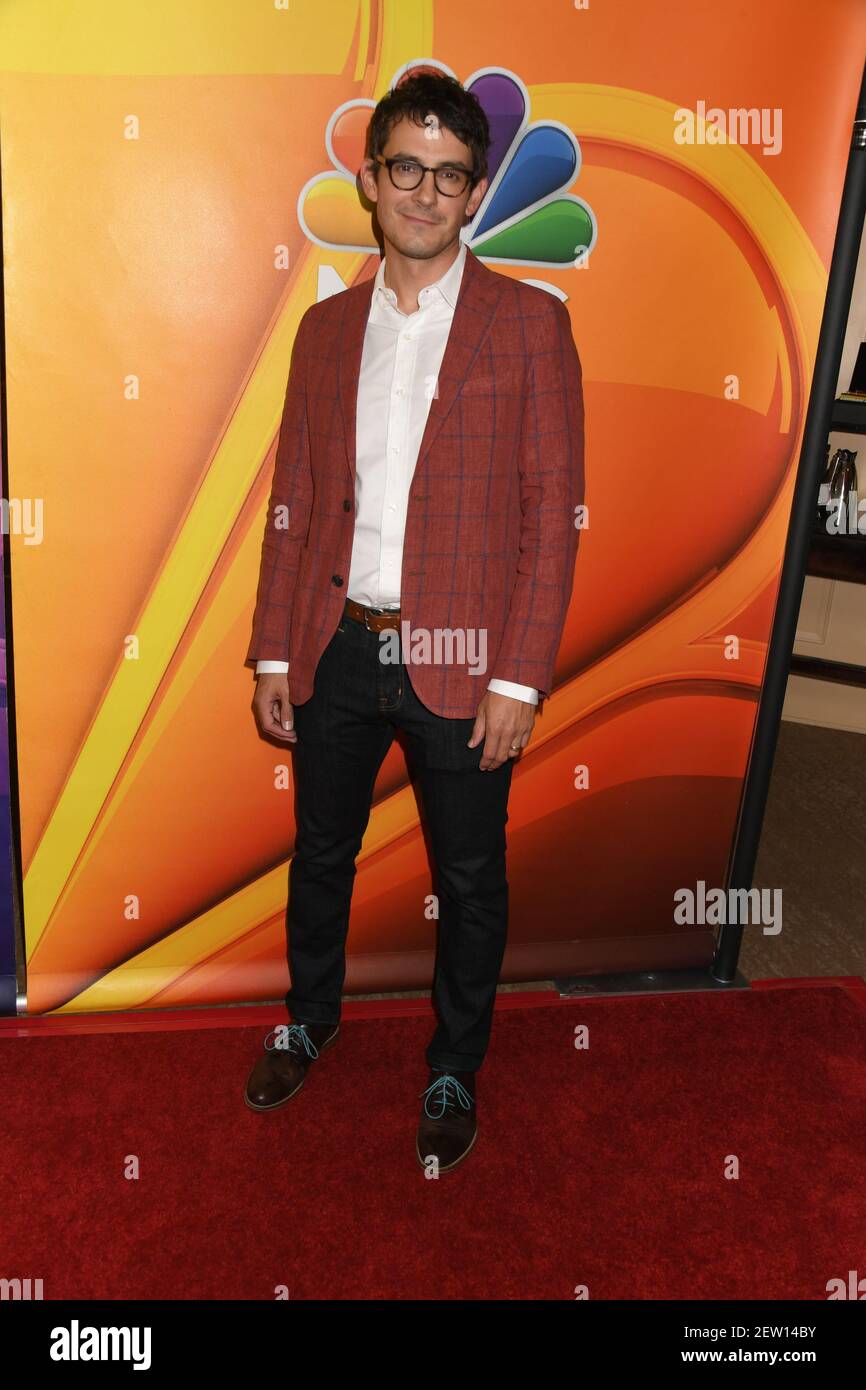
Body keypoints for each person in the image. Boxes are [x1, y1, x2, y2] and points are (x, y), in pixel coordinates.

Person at [244, 70, 584, 1172]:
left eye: (448, 175)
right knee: (320, 852)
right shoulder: (325, 331)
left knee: (470, 876)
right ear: (370, 177)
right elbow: (292, 500)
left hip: (464, 656)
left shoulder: (531, 325)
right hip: (338, 639)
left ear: (474, 190)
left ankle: (453, 1062)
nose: (425, 193)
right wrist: (273, 649)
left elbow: (551, 513)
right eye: (406, 168)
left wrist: (518, 679)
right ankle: (309, 1016)